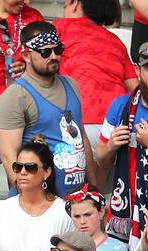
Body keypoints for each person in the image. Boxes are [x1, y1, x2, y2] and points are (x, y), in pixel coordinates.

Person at [95, 41, 148, 250]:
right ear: (137, 70)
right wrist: (111, 146)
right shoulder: (121, 105)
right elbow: (100, 158)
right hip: (127, 204)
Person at [0, 21, 92, 196]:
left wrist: (94, 186)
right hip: (39, 203)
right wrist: (31, 202)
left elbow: (82, 139)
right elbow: (9, 155)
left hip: (76, 202)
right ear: (26, 55)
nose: (54, 56)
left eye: (58, 50)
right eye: (45, 52)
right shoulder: (15, 95)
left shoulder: (71, 84)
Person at [54, 0, 137, 146]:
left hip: (77, 122)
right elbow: (136, 90)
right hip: (116, 126)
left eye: (64, 6)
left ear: (75, 3)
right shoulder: (115, 41)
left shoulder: (60, 28)